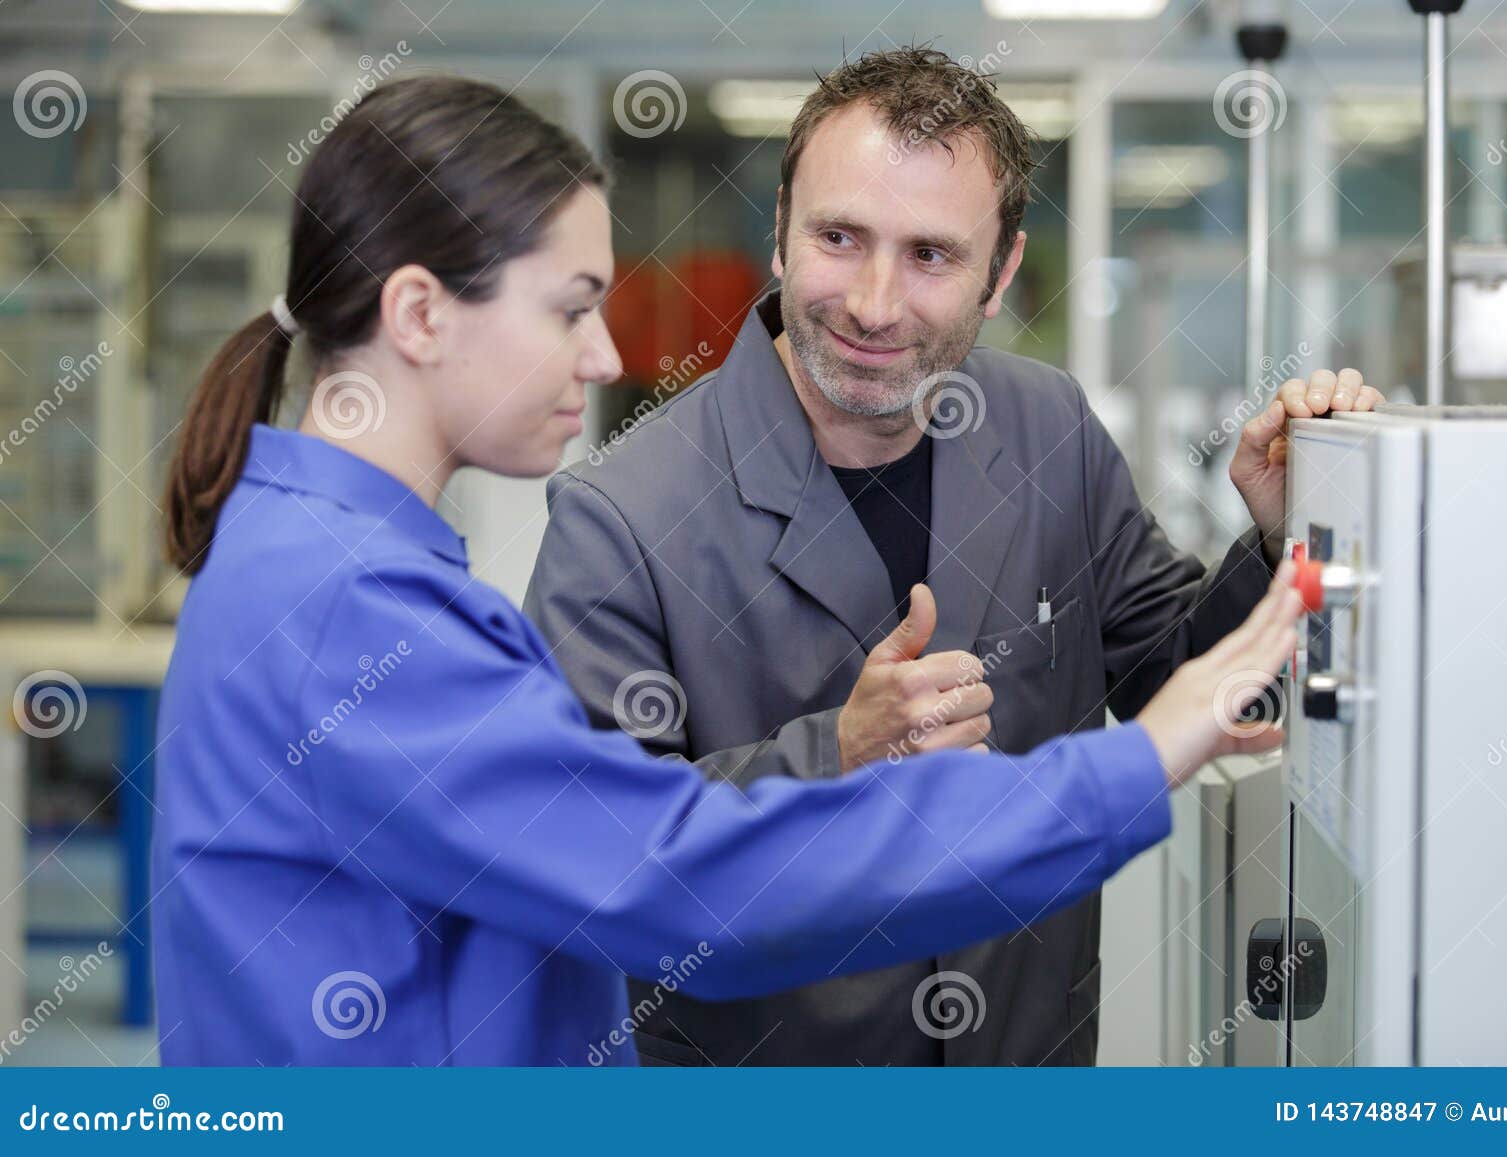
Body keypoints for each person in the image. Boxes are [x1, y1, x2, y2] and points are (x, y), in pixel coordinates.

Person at [152, 74, 1303, 1067]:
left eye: (931, 254)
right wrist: (1128, 765)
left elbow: (1172, 657)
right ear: (416, 313)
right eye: (571, 308)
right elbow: (666, 873)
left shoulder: (332, 561)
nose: (605, 354)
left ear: (997, 273)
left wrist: (1261, 562)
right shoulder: (369, 600)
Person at [525, 45, 1381, 1066]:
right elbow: (594, 869)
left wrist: (1277, 532)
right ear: (782, 235)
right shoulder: (620, 514)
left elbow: (1186, 683)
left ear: (1001, 270)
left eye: (931, 254)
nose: (876, 304)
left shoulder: (1046, 429)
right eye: (840, 237)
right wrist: (833, 750)